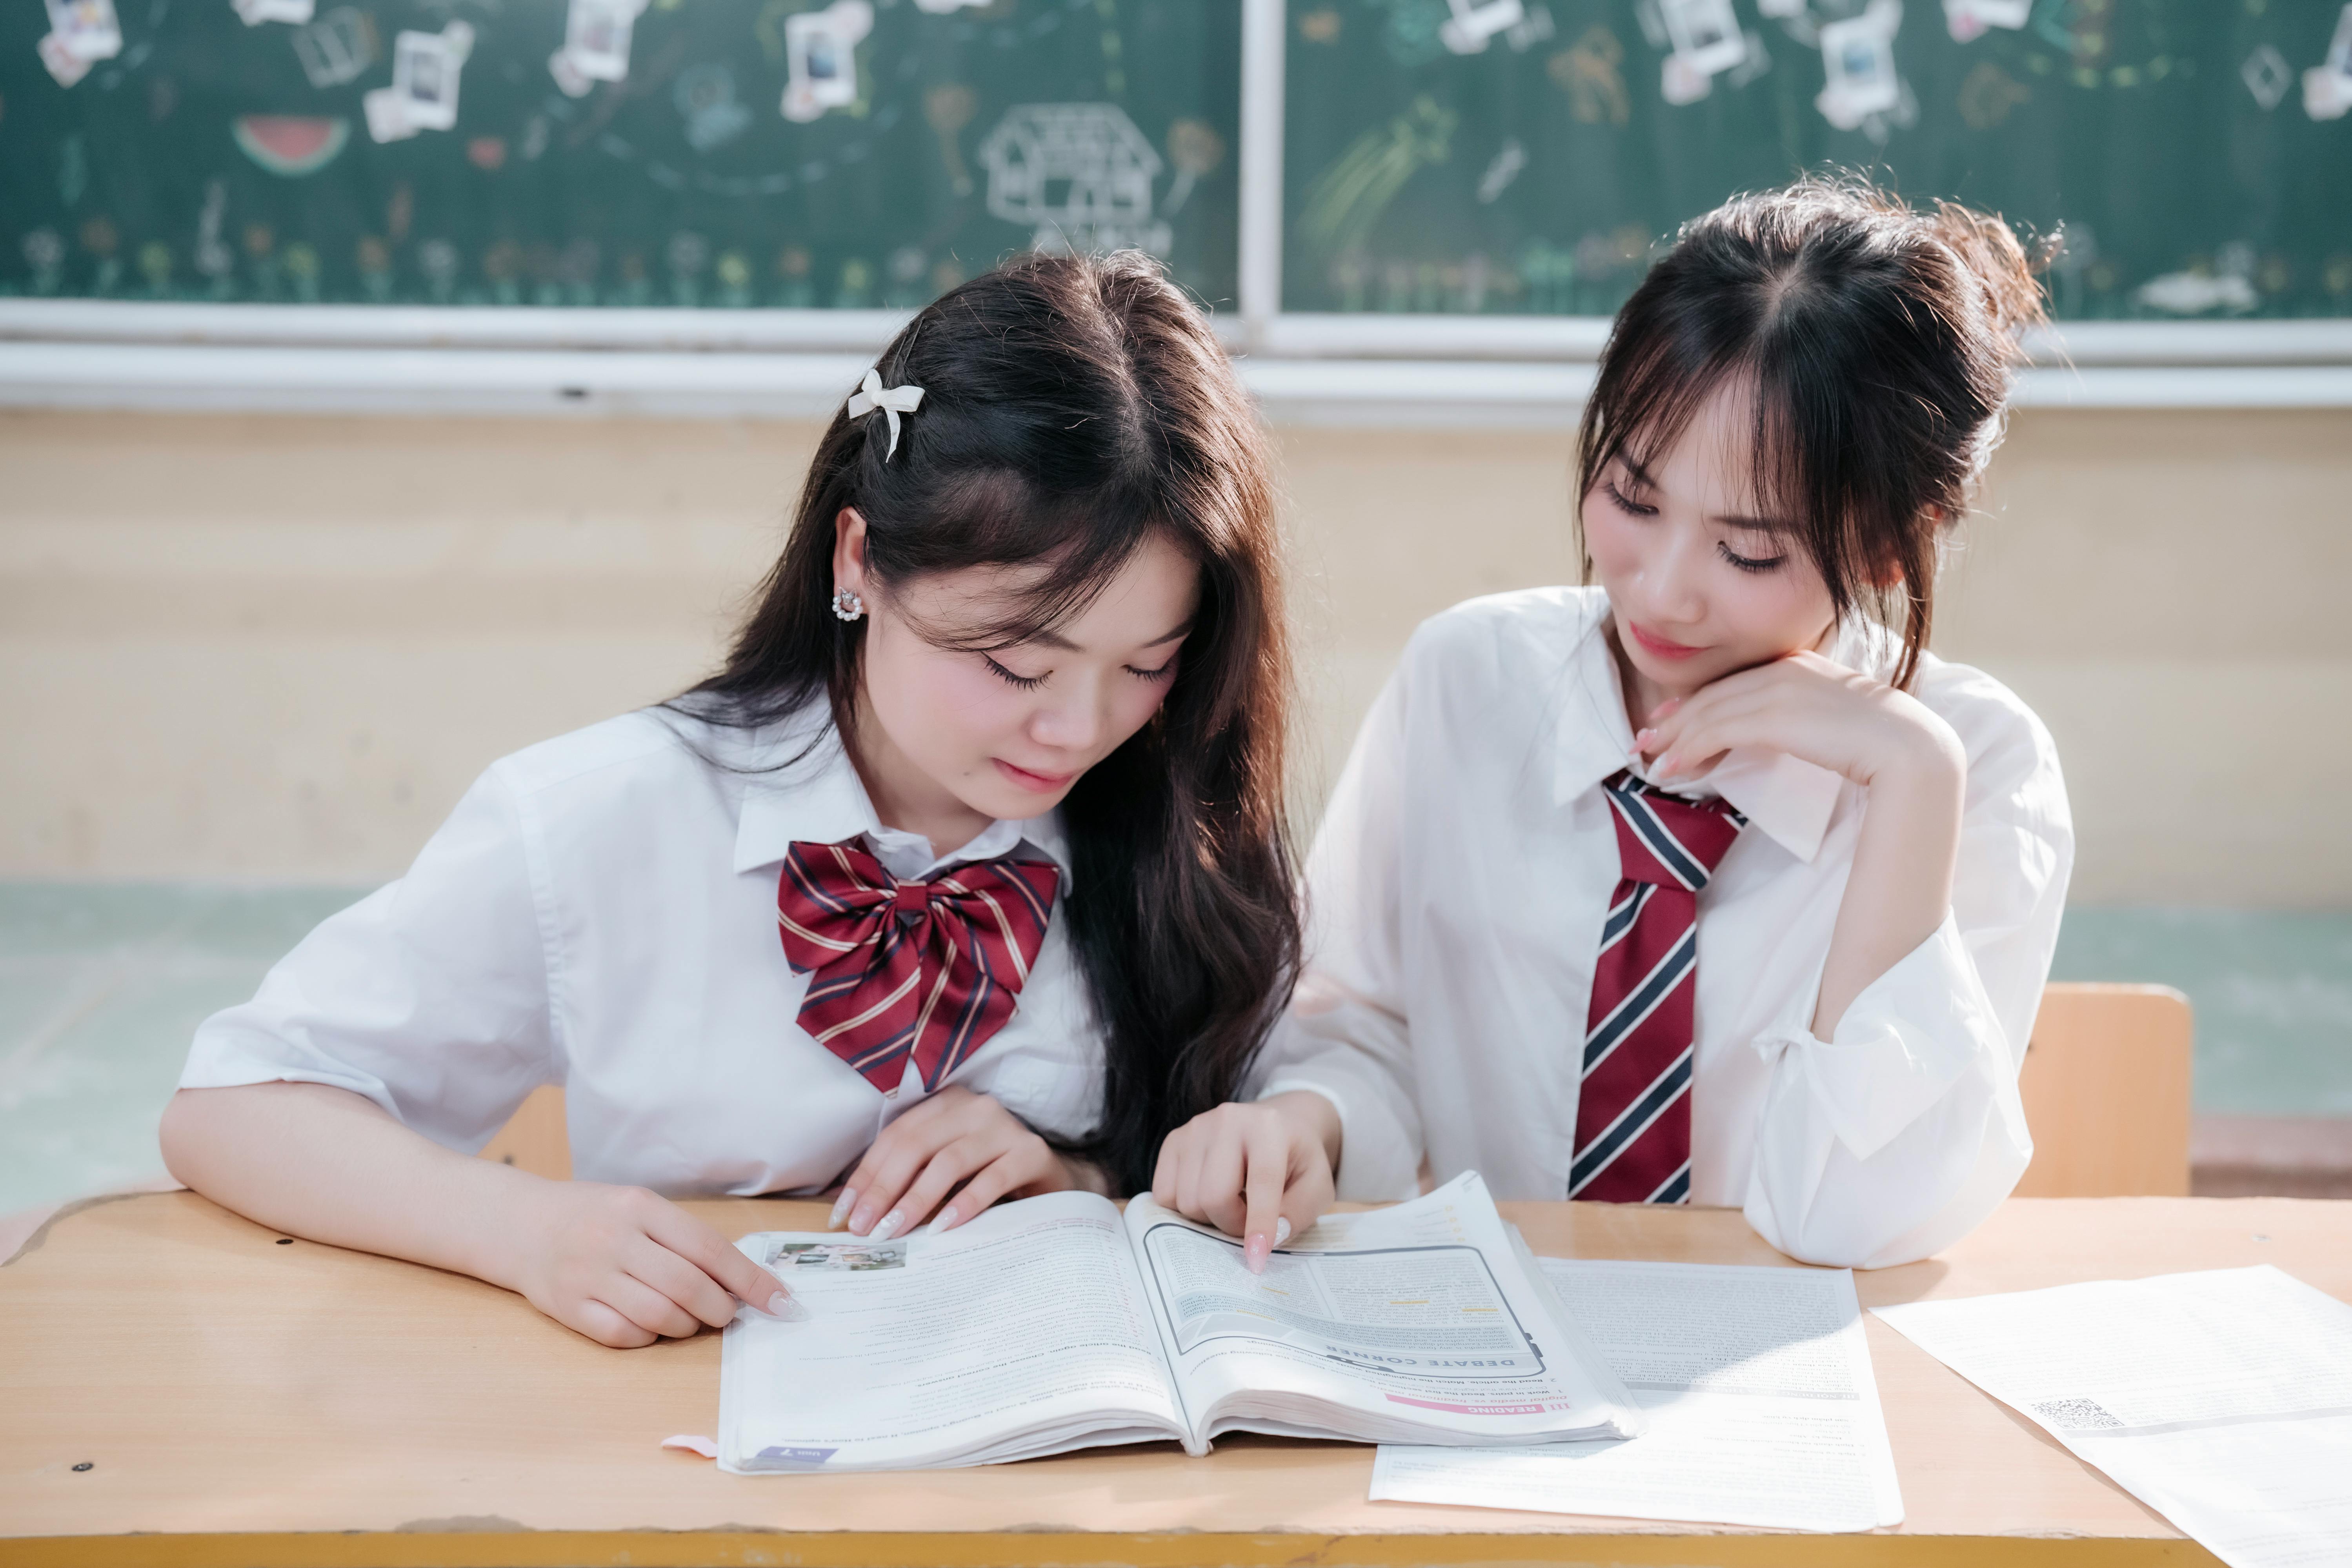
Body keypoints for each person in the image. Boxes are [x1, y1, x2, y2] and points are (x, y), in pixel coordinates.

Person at [160, 251, 1299, 1345]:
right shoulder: (600, 818)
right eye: (1015, 665)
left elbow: (1309, 1082)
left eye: (1148, 665)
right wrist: (523, 1229)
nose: (1082, 730)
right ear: (856, 560)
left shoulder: (1178, 815)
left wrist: (1077, 1170)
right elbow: (231, 1107)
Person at [1155, 178, 2074, 1271]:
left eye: (1750, 551)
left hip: (1787, 1383)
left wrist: (1911, 774)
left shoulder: (1981, 766)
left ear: (1889, 546)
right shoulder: (1472, 680)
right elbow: (1363, 1021)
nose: (1664, 592)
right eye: (1633, 499)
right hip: (1492, 1353)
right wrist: (1307, 1119)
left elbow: (1862, 1221)